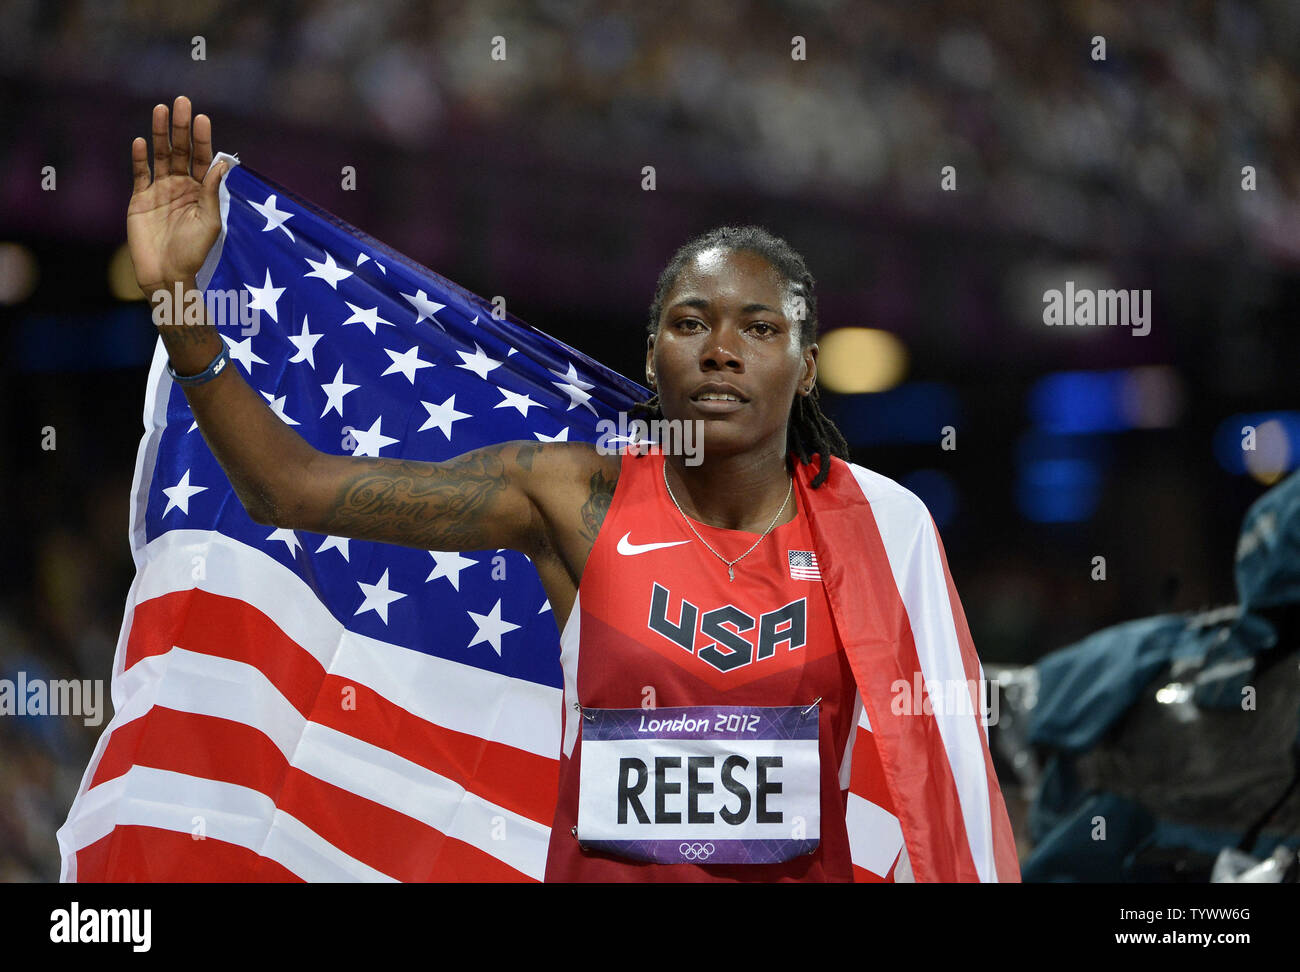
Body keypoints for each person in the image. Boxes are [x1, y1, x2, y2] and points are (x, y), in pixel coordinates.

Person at [129, 95, 1019, 882]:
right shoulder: (570, 496)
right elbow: (293, 489)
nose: (721, 349)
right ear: (652, 357)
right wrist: (177, 300)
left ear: (808, 367)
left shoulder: (879, 528)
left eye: (759, 327)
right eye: (690, 323)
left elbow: (932, 782)